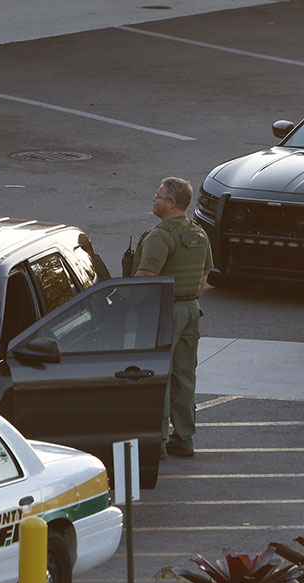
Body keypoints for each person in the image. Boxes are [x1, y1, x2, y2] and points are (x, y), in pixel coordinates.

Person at [132, 177, 213, 459]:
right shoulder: (198, 234)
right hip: (191, 310)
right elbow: (204, 274)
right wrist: (189, 299)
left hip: (165, 312)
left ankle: (158, 440)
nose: (154, 200)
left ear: (172, 203)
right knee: (184, 376)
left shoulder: (160, 236)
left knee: (159, 378)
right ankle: (184, 438)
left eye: (158, 196)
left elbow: (145, 279)